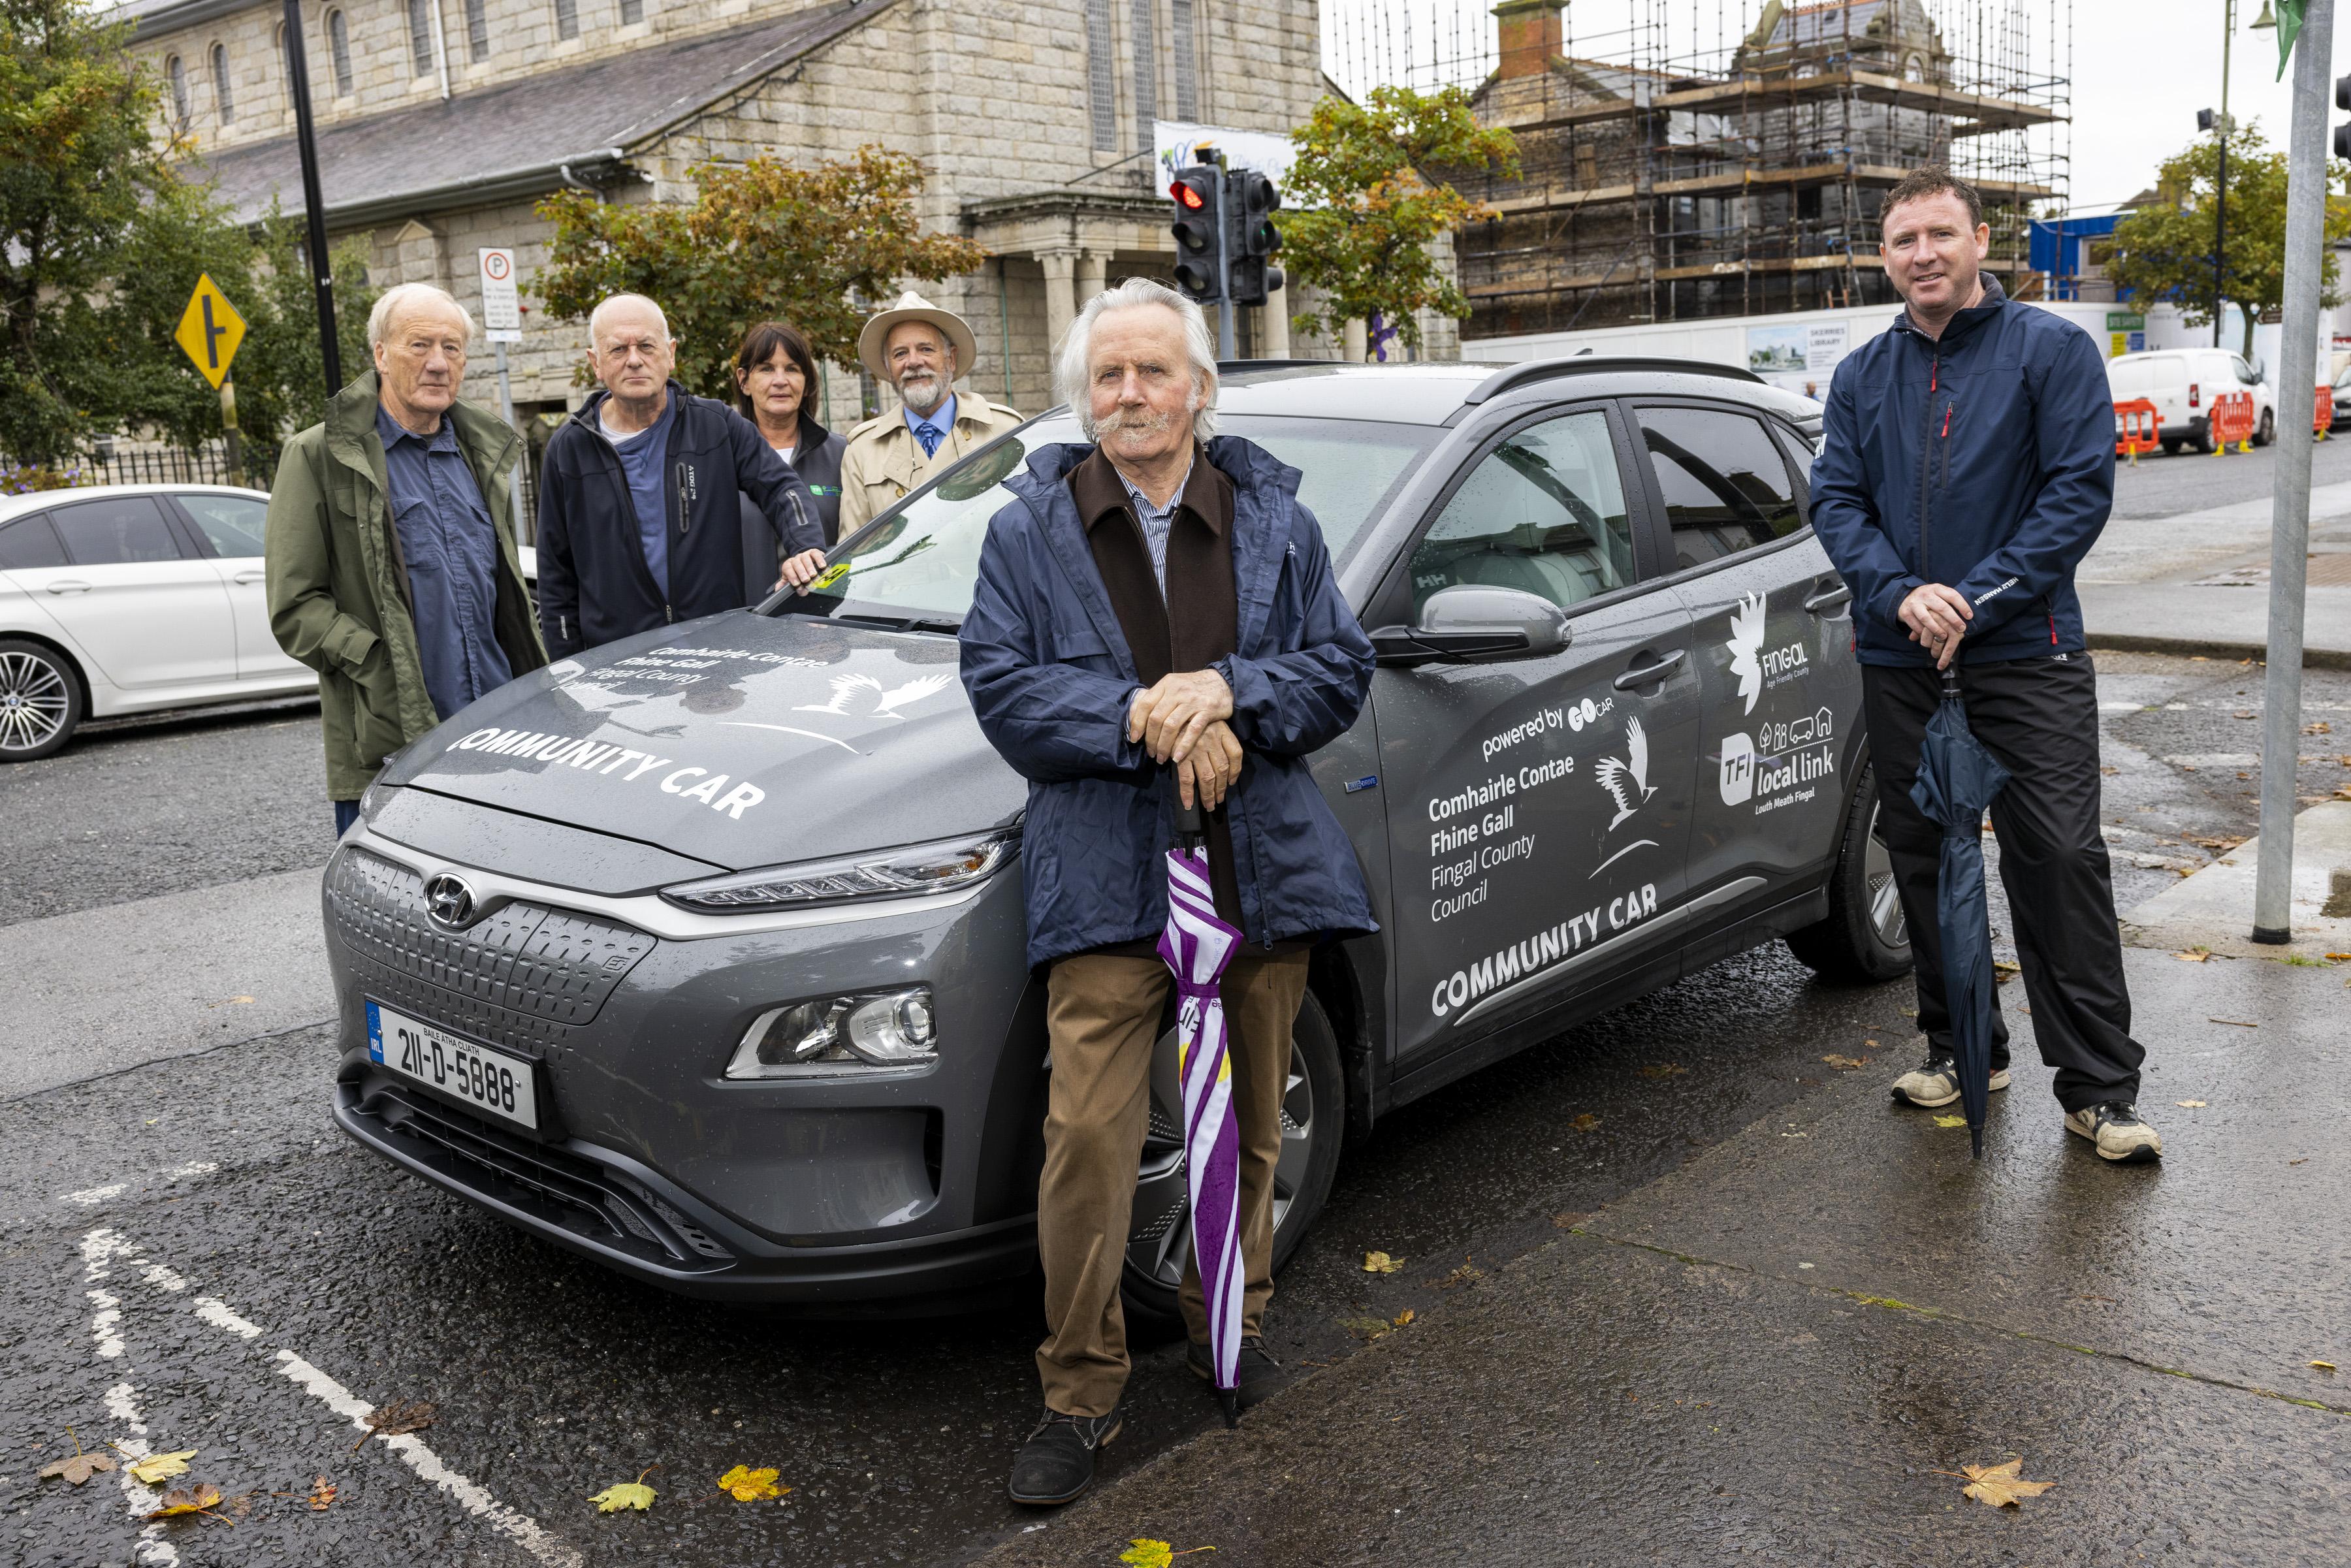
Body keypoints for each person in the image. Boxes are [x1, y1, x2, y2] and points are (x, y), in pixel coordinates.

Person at [959, 278, 1377, 1505]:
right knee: (1087, 1137)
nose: (1129, 394)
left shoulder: (1273, 519)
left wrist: (1232, 692)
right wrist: (1142, 714)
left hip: (1256, 869)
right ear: (1085, 394)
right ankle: (1079, 1390)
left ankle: (1223, 1325)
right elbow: (1001, 687)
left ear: (1200, 387)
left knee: (1248, 1130)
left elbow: (1338, 668)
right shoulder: (1028, 529)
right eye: (1108, 376)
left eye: (1152, 371)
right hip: (1106, 876)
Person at [1809, 166, 2160, 1164]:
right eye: (1902, 241)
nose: (1922, 255)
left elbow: (2076, 492)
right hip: (1902, 654)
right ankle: (1965, 1049)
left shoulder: (2049, 350)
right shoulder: (1860, 376)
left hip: (2026, 653)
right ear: (1885, 257)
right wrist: (1899, 595)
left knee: (2056, 858)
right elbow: (1836, 501)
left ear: (1982, 241)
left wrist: (1979, 596)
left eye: (1939, 235)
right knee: (1925, 859)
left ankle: (2098, 1089)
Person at [265, 283, 546, 835]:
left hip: (496, 733)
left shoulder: (482, 454)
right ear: (380, 354)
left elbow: (500, 593)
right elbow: (294, 607)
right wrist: (380, 667)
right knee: (392, 912)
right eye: (419, 345)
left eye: (452, 348)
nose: (438, 363)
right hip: (390, 742)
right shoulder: (319, 455)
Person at [534, 294, 825, 658]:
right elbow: (555, 573)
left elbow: (782, 488)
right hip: (620, 665)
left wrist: (805, 546)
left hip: (718, 657)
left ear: (670, 353)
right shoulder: (568, 449)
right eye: (618, 350)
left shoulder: (717, 425)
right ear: (596, 362)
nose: (635, 360)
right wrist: (567, 667)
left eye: (646, 346)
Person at [837, 291, 1022, 536]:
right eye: (900, 353)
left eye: (926, 349)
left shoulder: (1004, 430)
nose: (913, 362)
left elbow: (1027, 528)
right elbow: (854, 551)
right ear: (888, 368)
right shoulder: (862, 450)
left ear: (951, 359)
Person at [733, 319, 846, 547]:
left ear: (807, 383)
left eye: (792, 369)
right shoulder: (721, 458)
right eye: (766, 369)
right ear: (744, 381)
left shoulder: (842, 455)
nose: (780, 381)